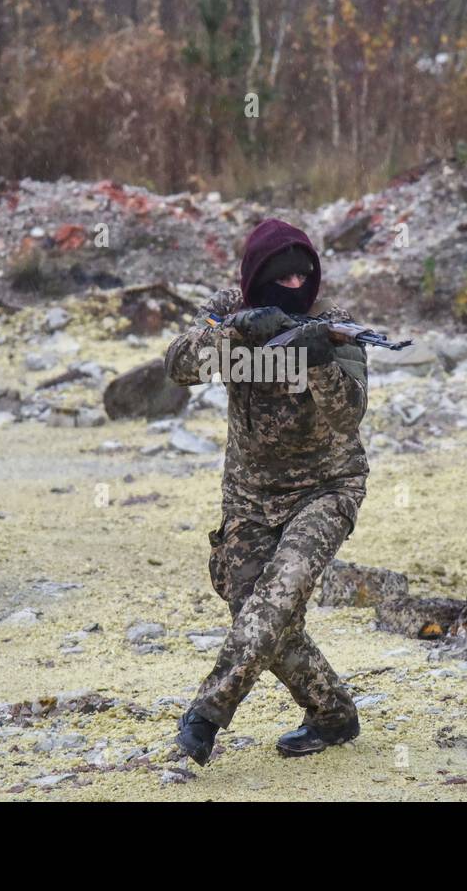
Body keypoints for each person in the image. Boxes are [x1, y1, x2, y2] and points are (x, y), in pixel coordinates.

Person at [163, 217, 369, 765]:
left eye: (306, 278)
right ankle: (332, 715)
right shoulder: (229, 307)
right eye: (284, 280)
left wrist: (319, 359)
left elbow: (349, 418)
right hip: (249, 496)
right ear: (257, 279)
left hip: (326, 490)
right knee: (254, 613)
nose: (296, 288)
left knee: (276, 600)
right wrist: (240, 328)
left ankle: (204, 717)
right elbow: (180, 365)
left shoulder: (334, 325)